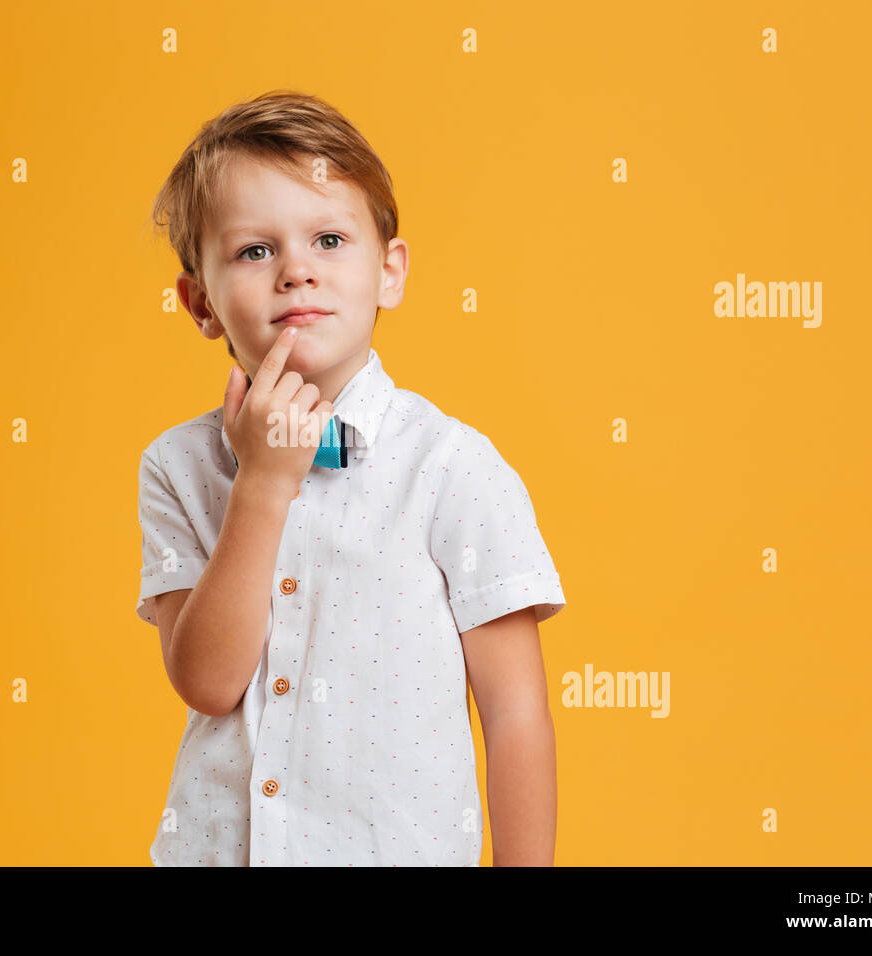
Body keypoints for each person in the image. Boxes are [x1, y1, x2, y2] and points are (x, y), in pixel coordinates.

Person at [136, 89, 567, 866]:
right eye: (254, 251)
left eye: (329, 239)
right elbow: (207, 683)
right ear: (200, 302)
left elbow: (515, 711)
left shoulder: (453, 467)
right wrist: (262, 484)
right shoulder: (178, 466)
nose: (296, 271)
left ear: (389, 272)